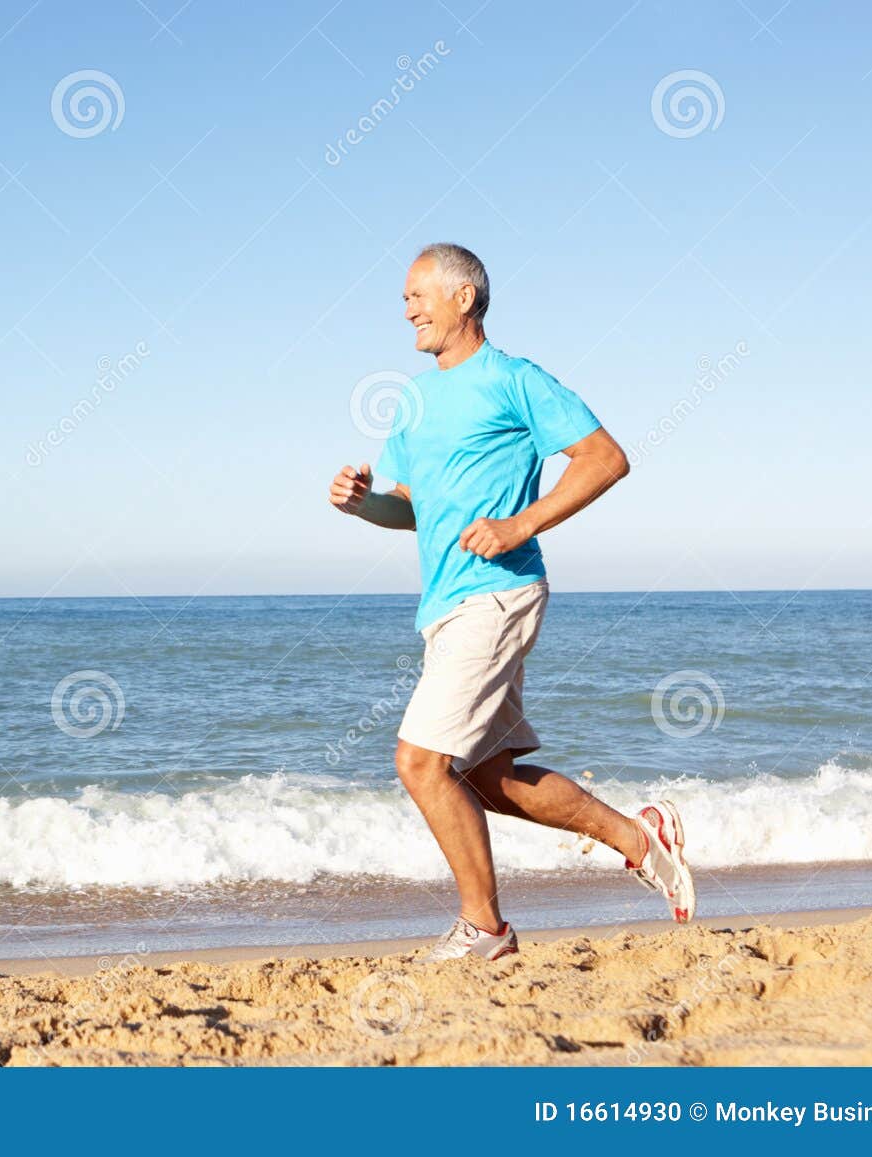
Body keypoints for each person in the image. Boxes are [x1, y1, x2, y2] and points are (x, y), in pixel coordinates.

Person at [328, 243, 694, 961]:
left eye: (417, 294)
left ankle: (486, 929)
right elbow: (409, 508)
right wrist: (360, 503)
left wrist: (518, 525)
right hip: (446, 607)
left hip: (498, 595)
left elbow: (605, 458)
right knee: (487, 779)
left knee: (419, 763)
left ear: (464, 298)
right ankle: (639, 836)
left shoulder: (514, 380)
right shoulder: (415, 398)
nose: (406, 309)